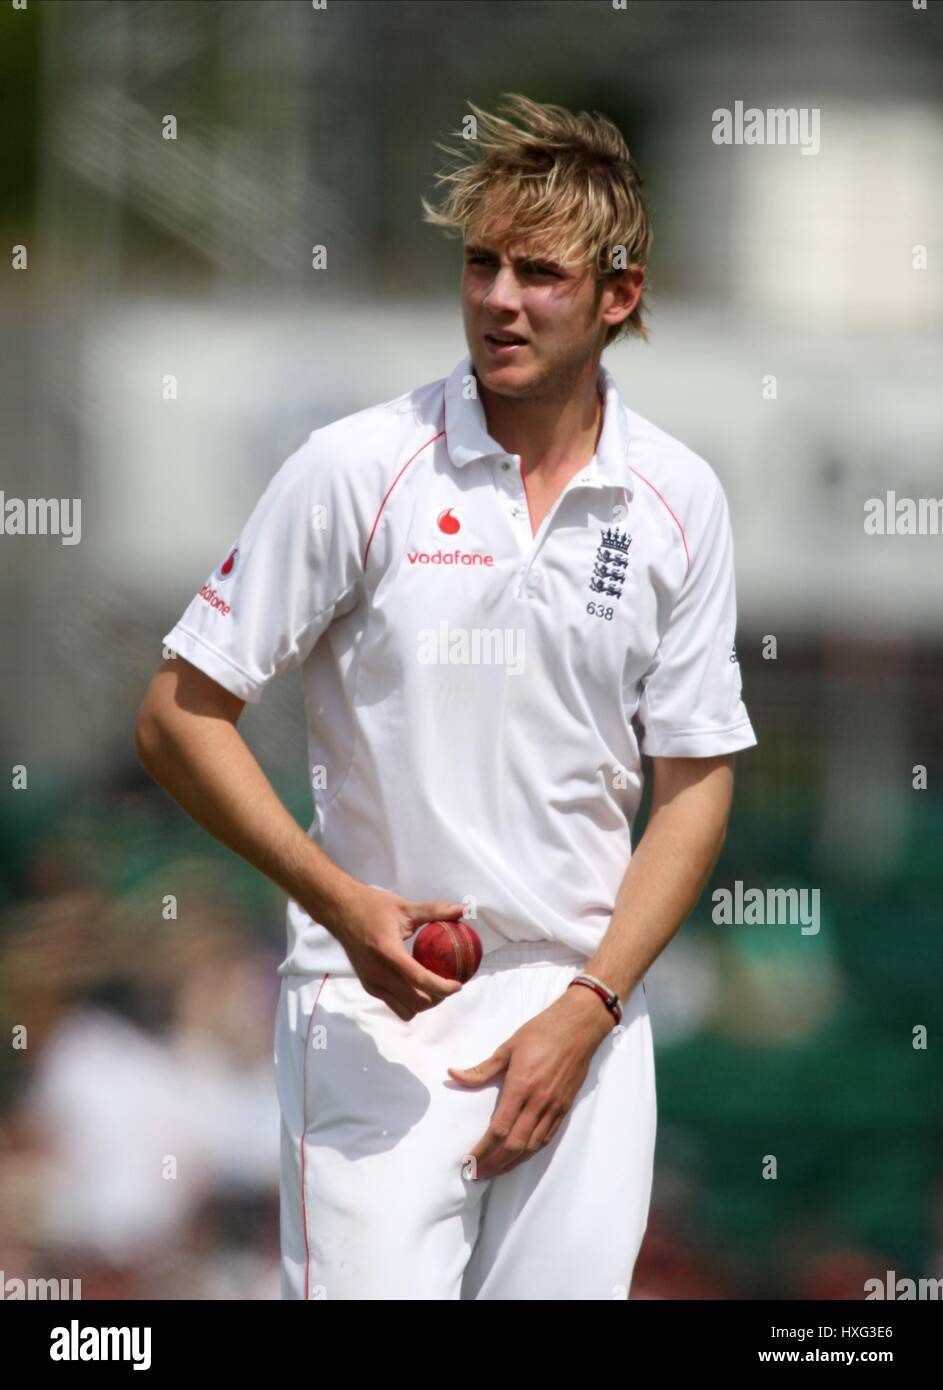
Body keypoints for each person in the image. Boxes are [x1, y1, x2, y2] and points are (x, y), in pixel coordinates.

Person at [135, 92, 757, 1300]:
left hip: (583, 1023)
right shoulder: (357, 466)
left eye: (540, 272)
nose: (498, 300)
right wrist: (340, 901)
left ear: (619, 297)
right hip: (373, 1016)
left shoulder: (683, 499)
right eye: (480, 265)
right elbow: (176, 715)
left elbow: (694, 788)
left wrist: (590, 1005)